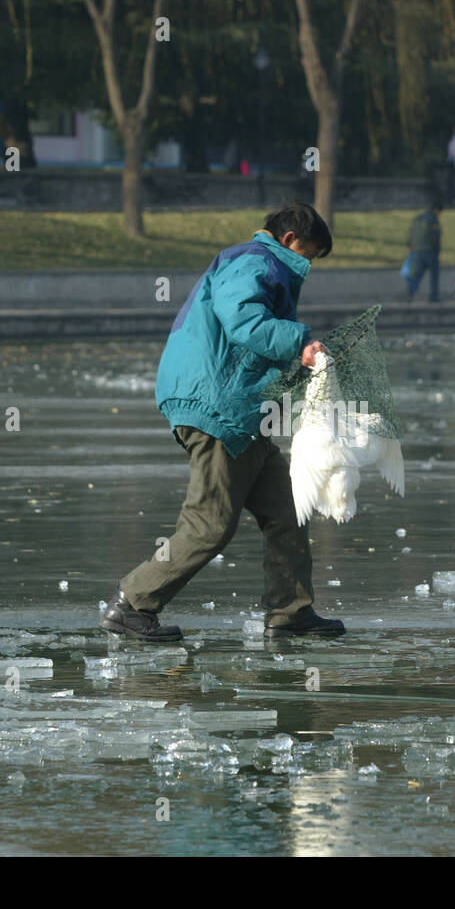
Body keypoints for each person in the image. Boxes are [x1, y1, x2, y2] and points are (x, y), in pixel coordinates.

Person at [101, 201, 344, 642]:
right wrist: (301, 343)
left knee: (289, 508)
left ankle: (291, 612)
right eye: (310, 254)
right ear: (290, 240)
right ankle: (133, 604)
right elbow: (244, 322)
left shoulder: (259, 264)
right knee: (210, 524)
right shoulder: (252, 262)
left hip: (242, 411)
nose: (309, 264)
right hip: (217, 408)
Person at [405, 198, 442, 303]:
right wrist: (437, 250)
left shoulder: (417, 218)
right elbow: (436, 237)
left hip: (416, 252)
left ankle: (410, 292)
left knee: (417, 275)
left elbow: (410, 234)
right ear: (437, 210)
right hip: (430, 253)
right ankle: (434, 297)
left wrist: (410, 247)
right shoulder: (433, 219)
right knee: (434, 275)